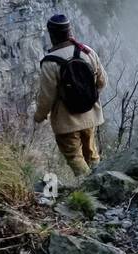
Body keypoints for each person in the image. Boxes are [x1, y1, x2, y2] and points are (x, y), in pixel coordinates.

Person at [33, 13, 107, 176]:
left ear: (52, 35)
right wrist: (86, 97)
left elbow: (47, 97)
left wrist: (39, 116)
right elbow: (102, 82)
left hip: (66, 121)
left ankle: (90, 188)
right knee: (92, 154)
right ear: (69, 32)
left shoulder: (50, 62)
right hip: (90, 116)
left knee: (74, 156)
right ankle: (100, 181)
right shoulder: (87, 52)